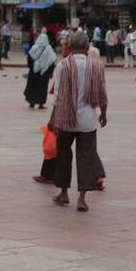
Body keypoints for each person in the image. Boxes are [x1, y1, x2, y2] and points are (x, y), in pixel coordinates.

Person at [46, 31, 107, 211]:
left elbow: (57, 95)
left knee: (64, 156)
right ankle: (81, 199)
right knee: (86, 157)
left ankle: (64, 193)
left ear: (70, 47)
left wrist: (52, 119)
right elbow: (102, 94)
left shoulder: (62, 65)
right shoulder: (97, 66)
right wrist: (103, 114)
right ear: (88, 48)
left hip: (65, 119)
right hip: (88, 120)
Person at [25, 30, 57, 108]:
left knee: (32, 85)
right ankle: (41, 104)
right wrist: (51, 72)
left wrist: (32, 67)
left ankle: (31, 102)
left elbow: (29, 58)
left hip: (34, 72)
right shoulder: (49, 49)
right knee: (42, 87)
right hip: (44, 72)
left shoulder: (34, 47)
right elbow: (52, 61)